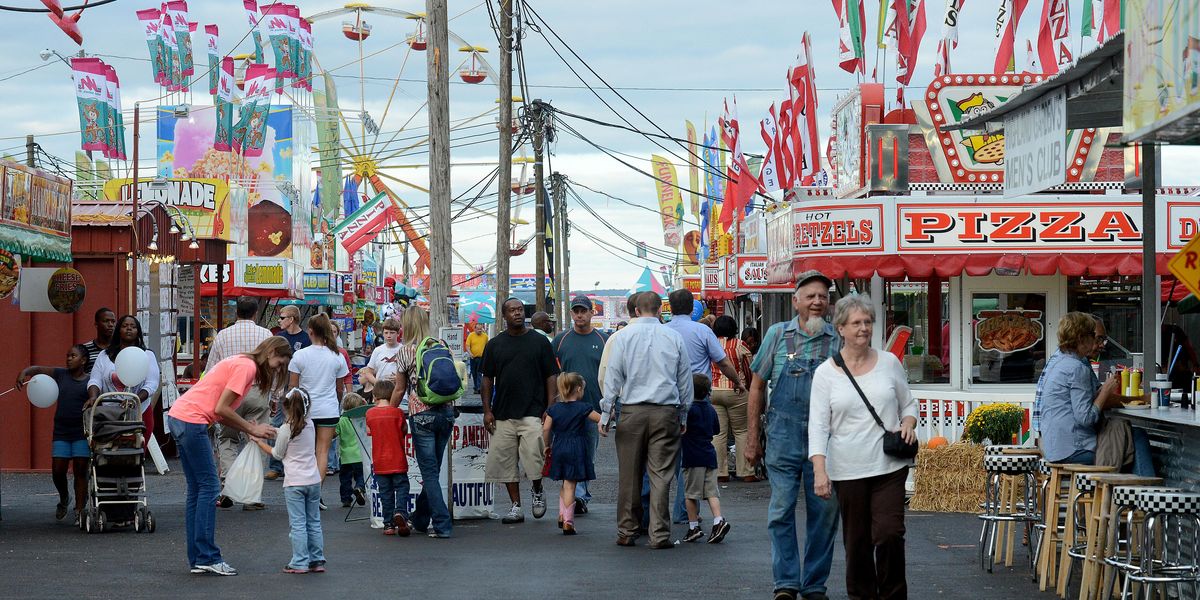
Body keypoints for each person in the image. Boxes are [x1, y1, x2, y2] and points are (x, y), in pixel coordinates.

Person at [809, 295, 918, 600]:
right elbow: (817, 426)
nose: (863, 328)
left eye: (868, 322)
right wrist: (820, 470)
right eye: (856, 323)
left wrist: (908, 423)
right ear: (840, 328)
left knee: (889, 534)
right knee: (857, 543)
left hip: (889, 466)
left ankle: (893, 595)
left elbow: (908, 403)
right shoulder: (826, 374)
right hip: (847, 469)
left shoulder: (889, 363)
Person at [746, 271, 841, 600]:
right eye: (811, 296)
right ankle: (786, 582)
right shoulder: (776, 334)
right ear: (796, 300)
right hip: (783, 435)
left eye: (823, 297)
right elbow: (757, 388)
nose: (817, 302)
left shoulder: (837, 339)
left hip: (826, 441)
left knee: (825, 515)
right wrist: (752, 438)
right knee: (780, 511)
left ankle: (814, 584)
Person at [166, 336, 290, 576]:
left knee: (198, 489)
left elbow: (221, 410)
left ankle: (198, 557)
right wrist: (252, 428)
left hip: (180, 416)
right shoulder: (247, 367)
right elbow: (221, 409)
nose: (276, 369)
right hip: (192, 420)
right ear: (271, 351)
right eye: (278, 363)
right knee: (210, 487)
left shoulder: (242, 362)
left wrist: (247, 426)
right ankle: (207, 556)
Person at [602, 291, 692, 549]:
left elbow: (613, 377)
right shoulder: (673, 337)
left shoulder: (623, 337)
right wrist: (683, 412)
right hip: (666, 411)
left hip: (631, 410)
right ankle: (659, 534)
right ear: (659, 310)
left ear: (637, 311)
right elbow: (684, 379)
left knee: (629, 474)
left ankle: (627, 531)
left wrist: (606, 413)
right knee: (661, 475)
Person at [665, 289, 745, 521]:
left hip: (667, 401)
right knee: (691, 457)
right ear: (692, 308)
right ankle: (684, 512)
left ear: (670, 307)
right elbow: (723, 362)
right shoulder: (702, 331)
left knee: (665, 457)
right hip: (696, 401)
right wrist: (738, 382)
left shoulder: (663, 331)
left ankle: (657, 513)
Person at [482, 298, 561, 524]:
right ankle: (516, 506)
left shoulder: (539, 342)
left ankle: (537, 490)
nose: (517, 313)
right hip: (502, 413)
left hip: (533, 412)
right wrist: (487, 410)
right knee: (506, 463)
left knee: (534, 459)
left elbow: (551, 375)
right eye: (512, 310)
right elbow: (487, 379)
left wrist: (550, 407)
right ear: (504, 316)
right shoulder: (495, 344)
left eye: (519, 310)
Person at [389, 306, 454, 538]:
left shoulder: (406, 352)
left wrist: (389, 410)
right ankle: (420, 518)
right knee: (433, 471)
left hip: (421, 415)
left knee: (428, 472)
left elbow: (399, 388)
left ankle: (442, 525)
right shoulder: (441, 345)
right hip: (446, 412)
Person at [252, 388, 325, 574]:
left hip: (294, 483)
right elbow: (289, 433)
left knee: (298, 524)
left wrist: (259, 442)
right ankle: (316, 560)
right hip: (313, 480)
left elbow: (277, 453)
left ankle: (300, 561)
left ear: (287, 408)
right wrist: (273, 432)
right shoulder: (309, 424)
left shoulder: (287, 428)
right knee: (314, 521)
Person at [1033, 311, 1121, 465]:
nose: (1095, 340)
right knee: (1126, 447)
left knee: (1120, 447)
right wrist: (1106, 391)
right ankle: (1139, 488)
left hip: (1053, 448)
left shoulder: (1059, 362)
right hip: (1074, 450)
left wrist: (1102, 390)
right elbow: (1086, 419)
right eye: (1092, 335)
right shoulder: (1077, 368)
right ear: (1081, 338)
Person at [209, 298, 273, 510]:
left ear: (236, 313)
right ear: (256, 313)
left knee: (227, 438)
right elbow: (272, 368)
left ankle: (228, 485)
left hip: (230, 395)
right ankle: (252, 495)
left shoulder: (222, 335)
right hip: (258, 390)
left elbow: (212, 368)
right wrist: (274, 395)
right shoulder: (266, 335)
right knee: (257, 439)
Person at [17, 344, 92, 525]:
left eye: (73, 356)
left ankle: (80, 510)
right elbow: (38, 369)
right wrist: (25, 372)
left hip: (81, 432)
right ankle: (65, 497)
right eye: (67, 355)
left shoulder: (90, 381)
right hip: (61, 432)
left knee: (81, 471)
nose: (68, 359)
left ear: (83, 360)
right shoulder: (61, 374)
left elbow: (94, 395)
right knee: (58, 471)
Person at [551, 294, 607, 514]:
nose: (580, 315)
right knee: (568, 452)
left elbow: (610, 373)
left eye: (584, 311)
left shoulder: (603, 339)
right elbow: (551, 372)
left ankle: (579, 495)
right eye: (576, 311)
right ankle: (575, 495)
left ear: (592, 313)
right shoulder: (561, 340)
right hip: (565, 410)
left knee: (587, 454)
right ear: (572, 314)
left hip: (593, 407)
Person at [287, 313, 348, 508]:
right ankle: (316, 494)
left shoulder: (300, 355)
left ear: (310, 331)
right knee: (323, 451)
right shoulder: (337, 356)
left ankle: (304, 490)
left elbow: (293, 388)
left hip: (306, 410)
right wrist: (336, 402)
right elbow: (340, 388)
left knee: (307, 452)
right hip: (329, 409)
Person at [87, 315, 161, 443]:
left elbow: (152, 384)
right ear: (118, 330)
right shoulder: (104, 355)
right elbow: (95, 380)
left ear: (138, 331)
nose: (129, 329)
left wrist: (135, 399)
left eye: (133, 327)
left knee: (135, 455)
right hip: (110, 414)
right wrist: (93, 396)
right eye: (125, 326)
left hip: (140, 412)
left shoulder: (147, 355)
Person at [542, 372, 600, 535]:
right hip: (576, 447)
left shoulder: (554, 409)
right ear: (579, 389)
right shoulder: (583, 408)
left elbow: (546, 429)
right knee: (570, 485)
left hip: (559, 446)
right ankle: (568, 521)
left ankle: (561, 515)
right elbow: (598, 419)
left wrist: (547, 445)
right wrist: (608, 420)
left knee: (564, 483)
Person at [682, 373, 731, 544]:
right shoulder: (710, 409)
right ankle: (718, 520)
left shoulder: (689, 411)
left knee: (690, 494)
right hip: (709, 455)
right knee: (711, 492)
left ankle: (693, 526)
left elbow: (681, 429)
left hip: (692, 456)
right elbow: (716, 430)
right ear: (708, 391)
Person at [709, 315, 755, 482]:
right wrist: (749, 387)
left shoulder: (711, 343)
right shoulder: (740, 345)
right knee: (742, 431)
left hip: (714, 390)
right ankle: (746, 472)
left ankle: (721, 473)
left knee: (718, 433)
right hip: (737, 391)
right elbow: (749, 369)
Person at [368, 380, 411, 536]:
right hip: (398, 459)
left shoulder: (370, 414)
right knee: (401, 488)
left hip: (380, 461)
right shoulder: (397, 412)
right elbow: (404, 430)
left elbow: (369, 430)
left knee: (385, 493)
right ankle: (400, 512)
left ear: (375, 396)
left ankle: (388, 525)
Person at [336, 393, 367, 508]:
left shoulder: (341, 420)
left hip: (345, 456)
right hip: (359, 455)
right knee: (360, 475)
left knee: (345, 479)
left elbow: (335, 433)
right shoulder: (361, 419)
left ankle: (346, 499)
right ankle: (360, 487)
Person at [358, 318, 402, 395]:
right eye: (386, 333)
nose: (389, 336)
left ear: (398, 333)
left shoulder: (403, 350)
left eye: (392, 333)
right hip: (381, 394)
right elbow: (368, 372)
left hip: (399, 392)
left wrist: (400, 379)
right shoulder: (378, 350)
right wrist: (377, 384)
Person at [81, 307, 116, 374]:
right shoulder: (85, 349)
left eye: (113, 321)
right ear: (96, 324)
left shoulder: (119, 348)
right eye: (106, 321)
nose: (111, 324)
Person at [466, 322, 489, 394]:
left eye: (481, 329)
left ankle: (479, 387)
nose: (480, 330)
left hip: (482, 357)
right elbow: (467, 346)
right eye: (478, 329)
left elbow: (487, 346)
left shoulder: (485, 336)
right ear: (475, 329)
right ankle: (476, 387)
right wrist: (470, 353)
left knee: (479, 372)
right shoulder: (471, 335)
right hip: (473, 357)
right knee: (474, 373)